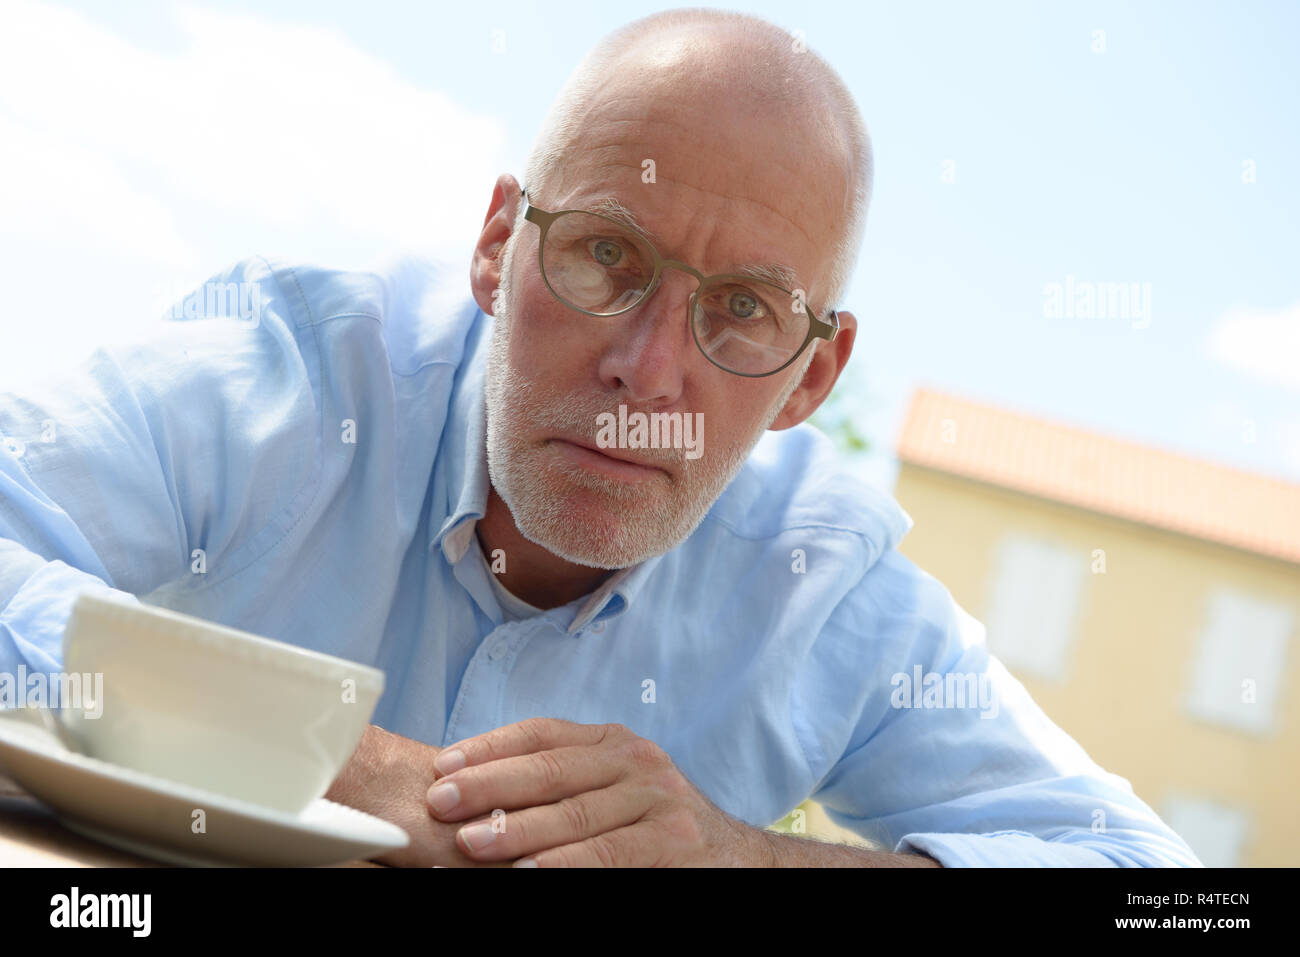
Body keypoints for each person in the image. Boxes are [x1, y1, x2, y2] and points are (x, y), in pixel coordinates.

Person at [0, 8, 1200, 867]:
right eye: (605, 256)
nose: (650, 366)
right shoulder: (301, 378)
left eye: (743, 310)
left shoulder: (820, 584)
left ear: (809, 379)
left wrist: (741, 863)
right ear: (496, 246)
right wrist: (349, 769)